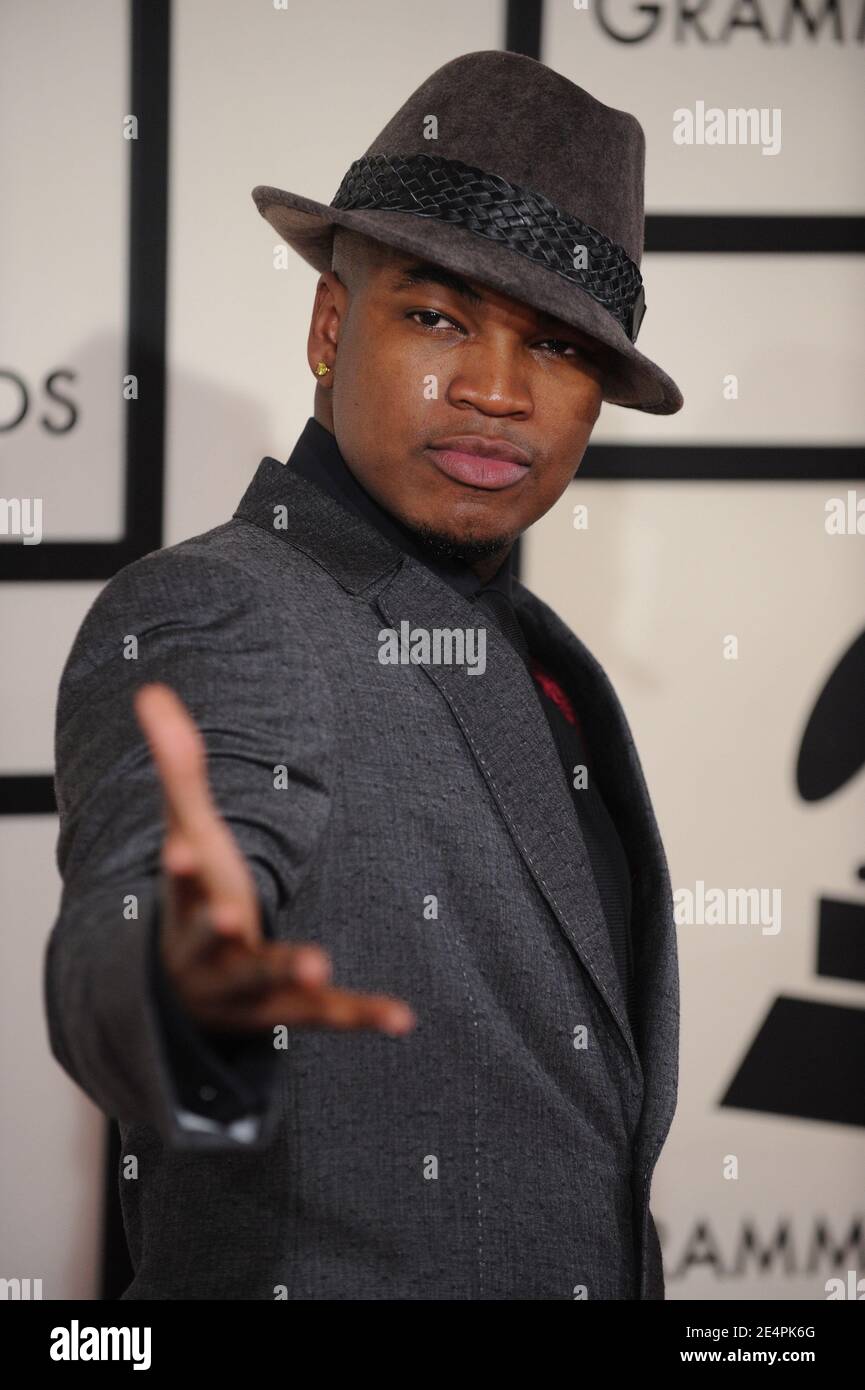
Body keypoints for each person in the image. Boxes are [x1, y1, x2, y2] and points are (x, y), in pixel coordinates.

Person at [44, 49, 682, 1300]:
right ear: (331, 327)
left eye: (556, 346)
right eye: (437, 316)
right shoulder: (227, 606)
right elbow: (143, 902)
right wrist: (182, 982)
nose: (498, 390)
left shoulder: (544, 656)